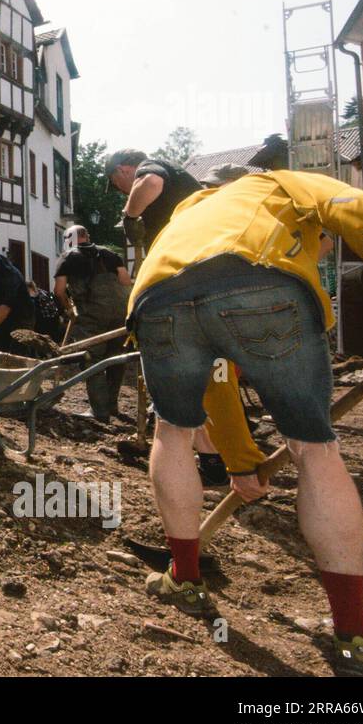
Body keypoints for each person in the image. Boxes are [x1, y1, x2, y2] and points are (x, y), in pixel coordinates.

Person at [130, 169, 363, 676]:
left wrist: (241, 462)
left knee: (172, 432)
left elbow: (217, 377)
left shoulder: (188, 214)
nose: (323, 254)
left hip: (157, 299)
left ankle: (184, 580)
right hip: (260, 283)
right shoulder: (283, 183)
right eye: (325, 248)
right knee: (314, 448)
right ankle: (357, 639)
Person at [106, 148, 243, 486]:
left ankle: (211, 456)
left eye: (117, 183)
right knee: (207, 374)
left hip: (188, 279)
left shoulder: (152, 169)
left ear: (123, 171)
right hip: (204, 275)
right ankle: (216, 459)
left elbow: (149, 183)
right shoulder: (184, 190)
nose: (122, 190)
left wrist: (129, 214)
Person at [54, 225, 131, 422]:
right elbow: (125, 281)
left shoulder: (68, 257)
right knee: (116, 358)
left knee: (92, 360)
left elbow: (59, 290)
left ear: (68, 239)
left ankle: (100, 411)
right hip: (121, 312)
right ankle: (112, 405)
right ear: (87, 235)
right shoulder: (110, 254)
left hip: (92, 314)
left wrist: (68, 309)